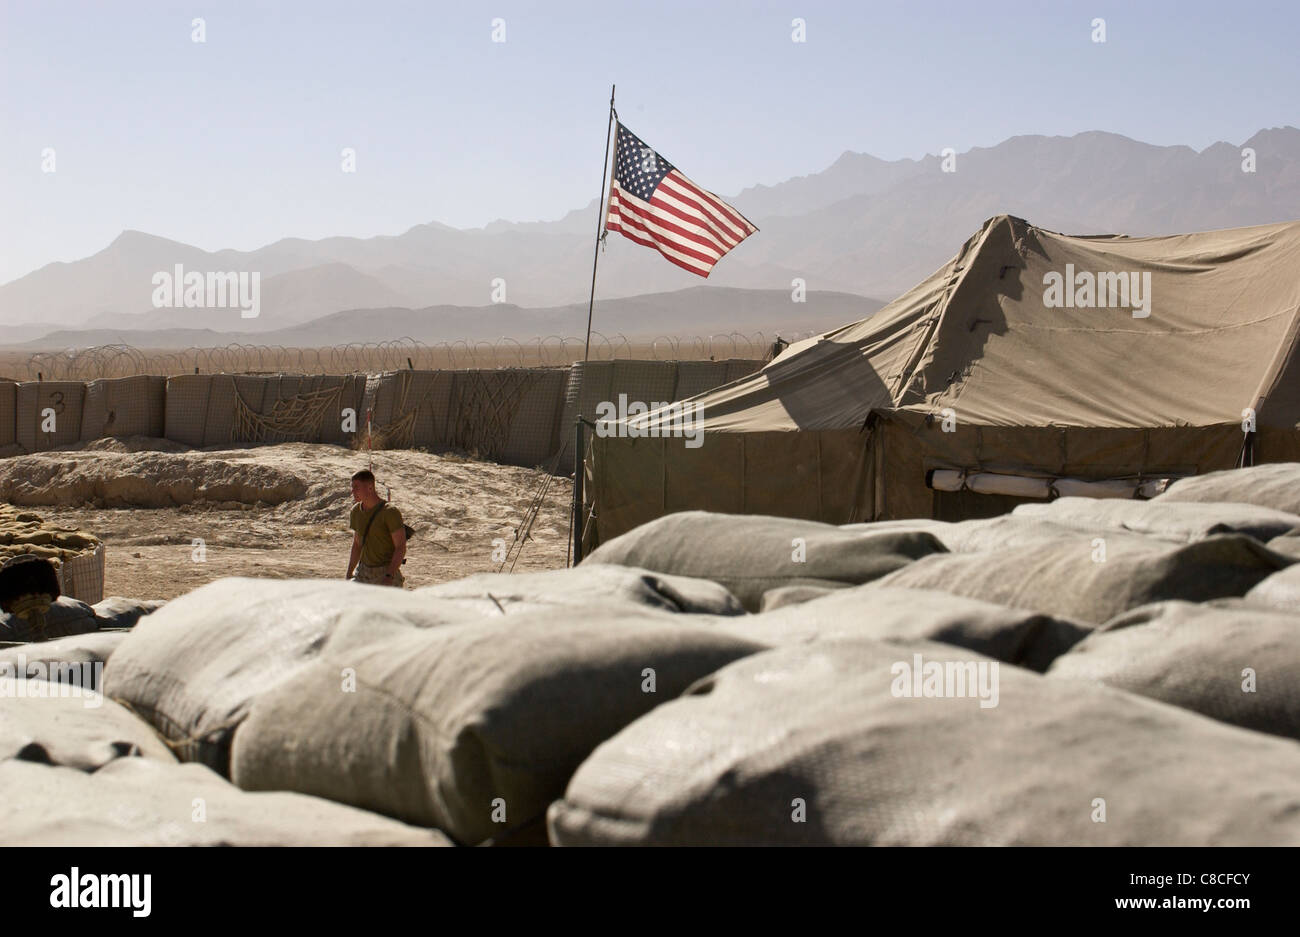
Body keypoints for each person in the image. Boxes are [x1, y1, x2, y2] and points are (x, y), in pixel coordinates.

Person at [346, 469, 407, 587]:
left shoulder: (389, 512)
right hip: (363, 572)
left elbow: (400, 547)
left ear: (370, 487)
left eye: (356, 487)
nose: (353, 491)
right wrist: (349, 574)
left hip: (385, 572)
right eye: (352, 487)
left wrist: (389, 576)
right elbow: (357, 545)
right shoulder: (355, 511)